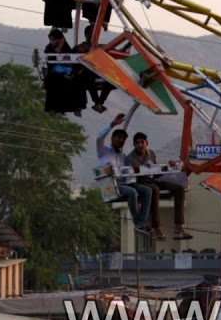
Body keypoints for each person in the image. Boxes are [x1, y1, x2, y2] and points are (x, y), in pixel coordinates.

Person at [95, 106, 154, 235]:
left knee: (147, 190)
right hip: (110, 186)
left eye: (123, 139)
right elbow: (99, 138)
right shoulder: (103, 151)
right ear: (112, 138)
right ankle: (138, 223)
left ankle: (141, 222)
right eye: (118, 137)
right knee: (132, 192)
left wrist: (134, 169)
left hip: (123, 183)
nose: (121, 140)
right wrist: (112, 125)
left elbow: (126, 172)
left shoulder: (122, 156)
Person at [125, 131, 192, 241]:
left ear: (146, 143)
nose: (140, 145)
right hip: (141, 182)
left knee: (179, 188)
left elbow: (156, 169)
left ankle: (179, 227)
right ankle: (157, 228)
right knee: (154, 190)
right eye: (137, 143)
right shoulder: (130, 158)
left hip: (154, 179)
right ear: (134, 145)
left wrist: (170, 166)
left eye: (142, 142)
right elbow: (128, 177)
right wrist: (134, 170)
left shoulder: (151, 153)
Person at [43, 29, 88, 117]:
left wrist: (71, 73)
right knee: (53, 82)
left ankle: (77, 107)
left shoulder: (66, 48)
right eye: (51, 39)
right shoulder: (48, 49)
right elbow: (52, 65)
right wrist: (63, 73)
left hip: (68, 72)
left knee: (78, 81)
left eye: (54, 39)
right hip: (55, 73)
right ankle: (52, 108)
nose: (52, 42)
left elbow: (71, 63)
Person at [74, 25, 113, 113]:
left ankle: (99, 102)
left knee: (112, 81)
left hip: (97, 72)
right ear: (86, 35)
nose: (94, 36)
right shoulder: (79, 48)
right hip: (85, 73)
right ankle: (98, 102)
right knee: (88, 78)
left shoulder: (101, 47)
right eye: (92, 33)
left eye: (96, 34)